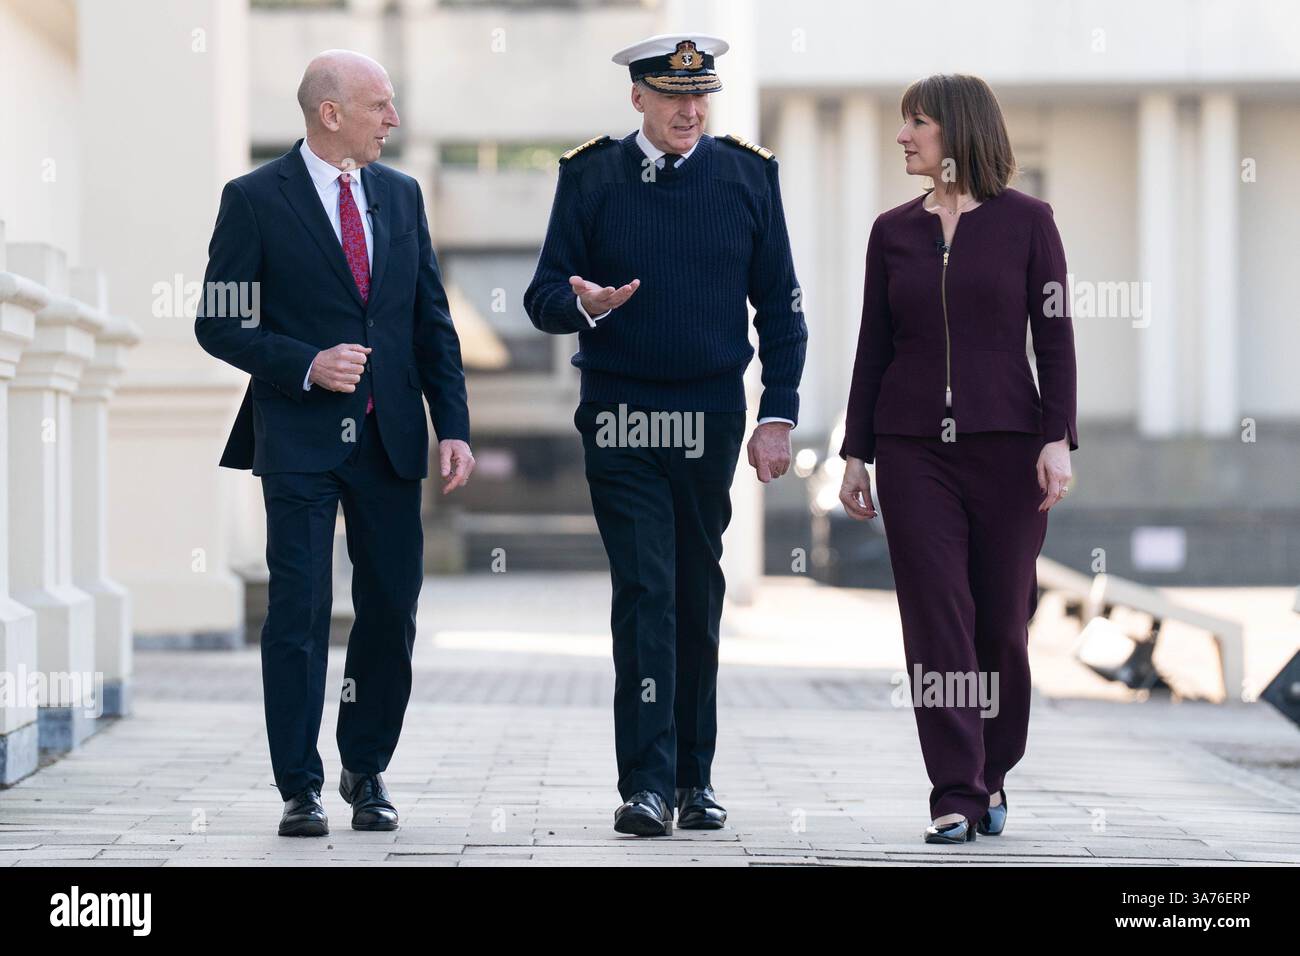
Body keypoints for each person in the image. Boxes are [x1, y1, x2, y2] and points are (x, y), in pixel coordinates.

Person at [524, 33, 808, 836]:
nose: (690, 109)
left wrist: (776, 414)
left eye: (701, 95)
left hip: (710, 414)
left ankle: (695, 778)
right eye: (673, 95)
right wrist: (583, 302)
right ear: (638, 98)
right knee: (647, 588)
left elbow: (781, 307)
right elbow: (542, 294)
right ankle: (645, 785)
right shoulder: (590, 176)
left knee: (695, 590)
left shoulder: (750, 175)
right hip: (619, 411)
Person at [194, 49, 474, 837]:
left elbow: (430, 322)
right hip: (297, 438)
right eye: (380, 105)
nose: (393, 119)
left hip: (390, 439)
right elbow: (218, 323)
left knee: (391, 609)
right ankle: (299, 786)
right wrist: (306, 363)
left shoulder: (402, 195)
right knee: (300, 610)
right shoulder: (252, 200)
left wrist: (451, 424)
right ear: (331, 113)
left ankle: (366, 767)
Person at [837, 73, 1078, 844]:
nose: (903, 137)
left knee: (1003, 622)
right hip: (912, 452)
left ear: (959, 133)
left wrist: (1056, 437)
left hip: (1008, 448)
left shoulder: (1028, 223)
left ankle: (995, 769)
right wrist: (855, 453)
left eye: (918, 125)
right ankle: (955, 790)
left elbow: (1056, 339)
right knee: (937, 619)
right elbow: (873, 346)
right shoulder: (892, 232)